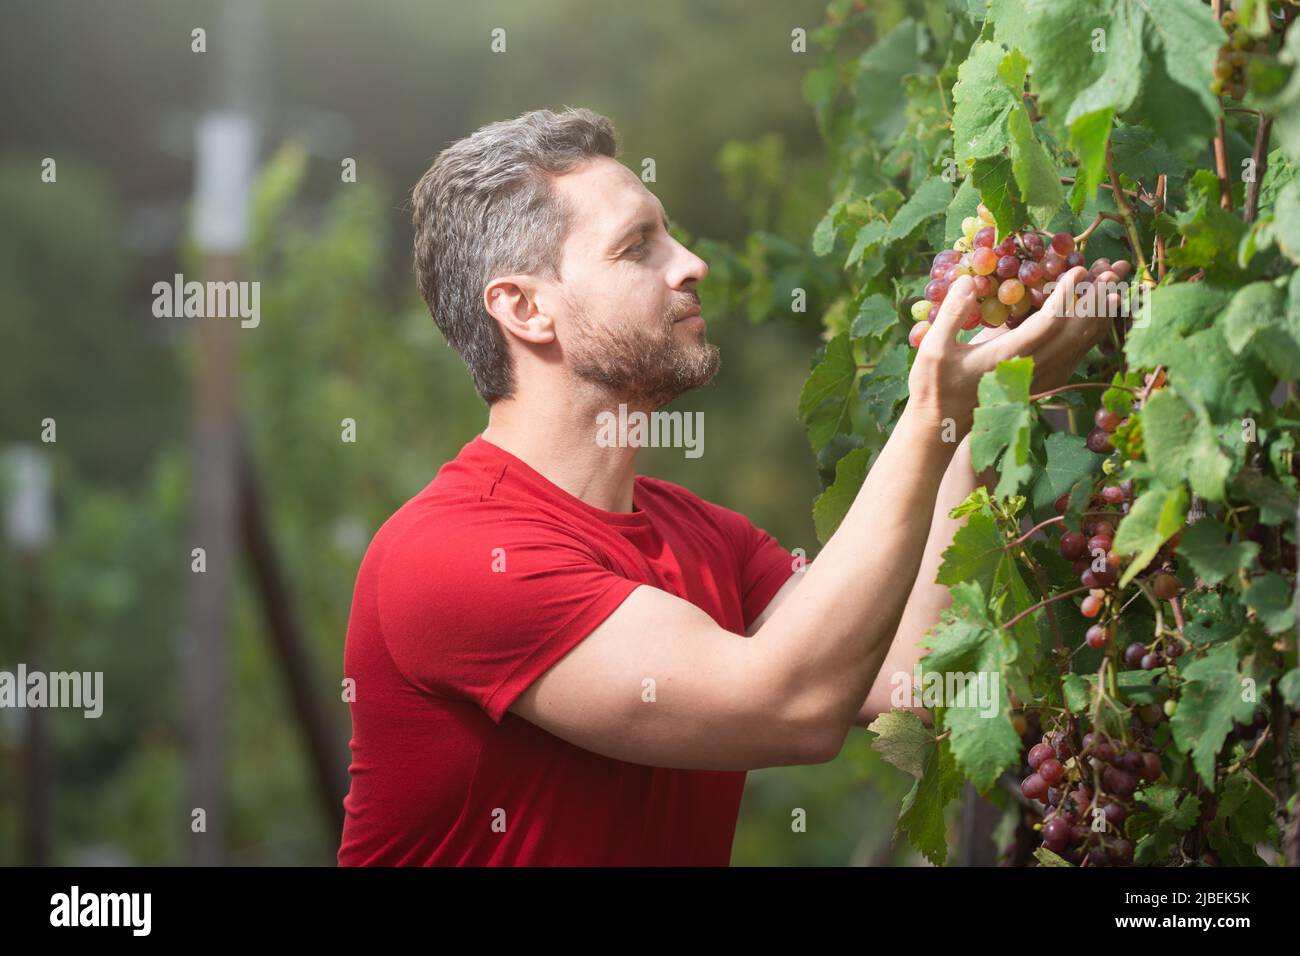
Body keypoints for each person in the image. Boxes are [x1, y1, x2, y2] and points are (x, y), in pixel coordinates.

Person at [336, 106, 1128, 865]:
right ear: (524, 309)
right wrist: (929, 413)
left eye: (669, 234)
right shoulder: (452, 557)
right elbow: (792, 706)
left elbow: (904, 674)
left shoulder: (703, 536)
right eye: (637, 247)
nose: (690, 263)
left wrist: (971, 412)